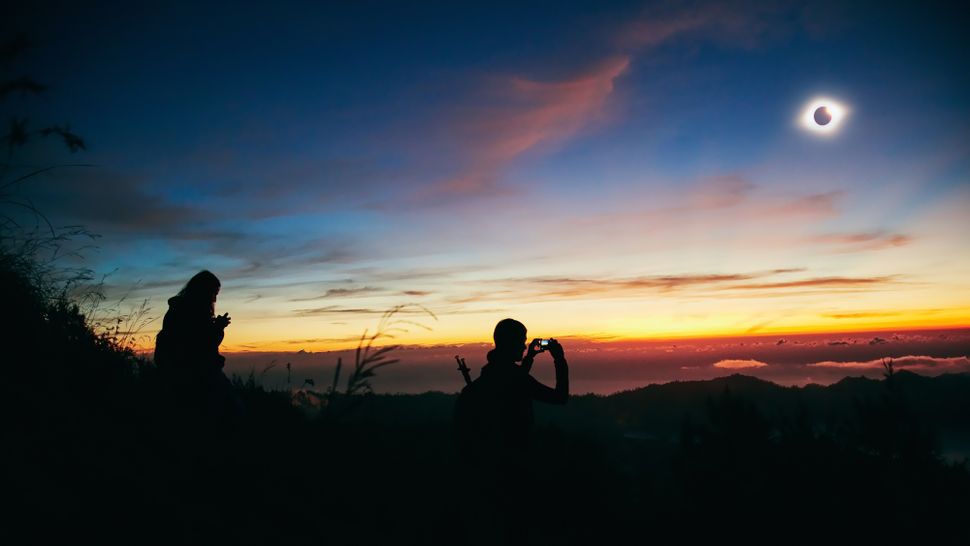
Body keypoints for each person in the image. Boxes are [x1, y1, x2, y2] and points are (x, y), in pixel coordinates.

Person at [453, 318, 569, 544]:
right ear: (510, 342)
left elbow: (511, 385)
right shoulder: (513, 379)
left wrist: (529, 359)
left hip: (485, 475)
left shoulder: (487, 378)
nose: (524, 346)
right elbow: (560, 397)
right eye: (521, 341)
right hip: (515, 474)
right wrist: (559, 359)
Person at [155, 270, 239, 422]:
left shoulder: (177, 310)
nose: (214, 299)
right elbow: (203, 345)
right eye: (213, 293)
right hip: (199, 375)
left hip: (179, 373)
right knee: (232, 412)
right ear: (203, 291)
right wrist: (218, 328)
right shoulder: (195, 314)